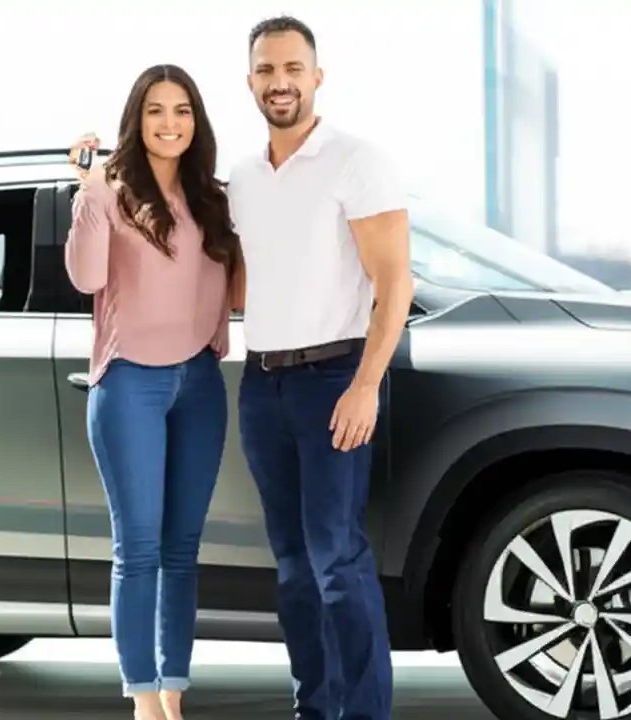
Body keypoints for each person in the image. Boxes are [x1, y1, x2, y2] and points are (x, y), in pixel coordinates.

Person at [226, 15, 414, 720]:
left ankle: (362, 713)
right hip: (262, 385)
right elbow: (244, 283)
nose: (280, 83)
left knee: (337, 559)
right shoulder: (244, 177)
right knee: (294, 566)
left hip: (334, 380)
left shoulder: (356, 161)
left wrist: (366, 386)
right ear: (250, 82)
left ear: (316, 77)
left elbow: (396, 284)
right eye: (266, 70)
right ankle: (315, 707)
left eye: (292, 69)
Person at [63, 63, 240, 720]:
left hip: (200, 383)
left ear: (197, 122)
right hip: (129, 382)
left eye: (182, 110)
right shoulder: (109, 193)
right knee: (138, 549)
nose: (170, 123)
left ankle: (173, 692)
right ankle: (143, 699)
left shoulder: (213, 200)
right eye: (156, 110)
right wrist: (88, 191)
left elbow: (237, 291)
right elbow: (86, 278)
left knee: (181, 551)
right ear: (136, 121)